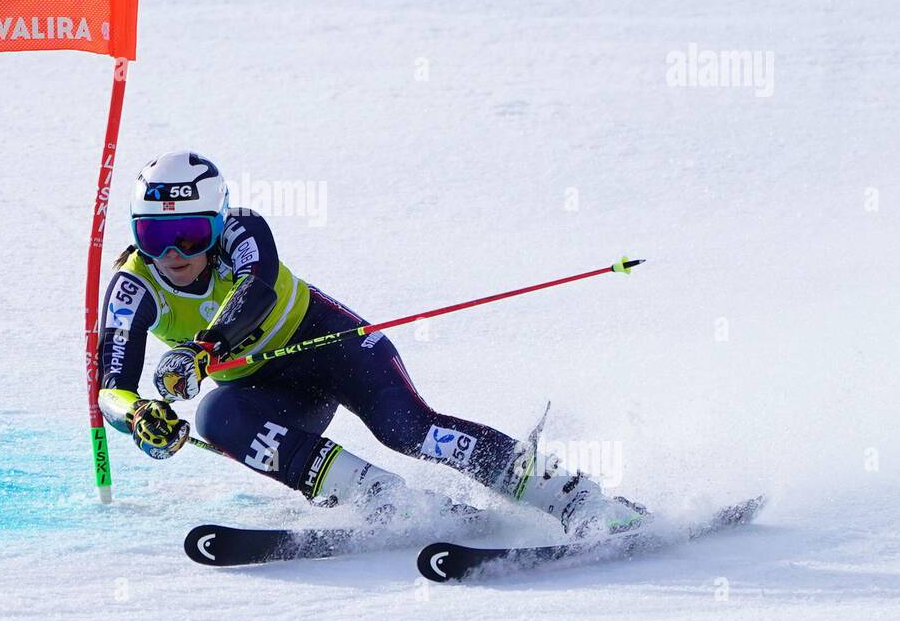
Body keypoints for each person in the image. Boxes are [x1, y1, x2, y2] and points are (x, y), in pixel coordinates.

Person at [96, 151, 646, 536]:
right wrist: (140, 414)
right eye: (153, 235)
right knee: (217, 415)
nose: (173, 253)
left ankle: (577, 498)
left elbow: (256, 290)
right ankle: (387, 503)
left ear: (217, 222)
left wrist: (204, 347)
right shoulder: (133, 286)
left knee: (409, 430)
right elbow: (109, 391)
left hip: (333, 348)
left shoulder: (245, 229)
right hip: (270, 395)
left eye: (190, 234)